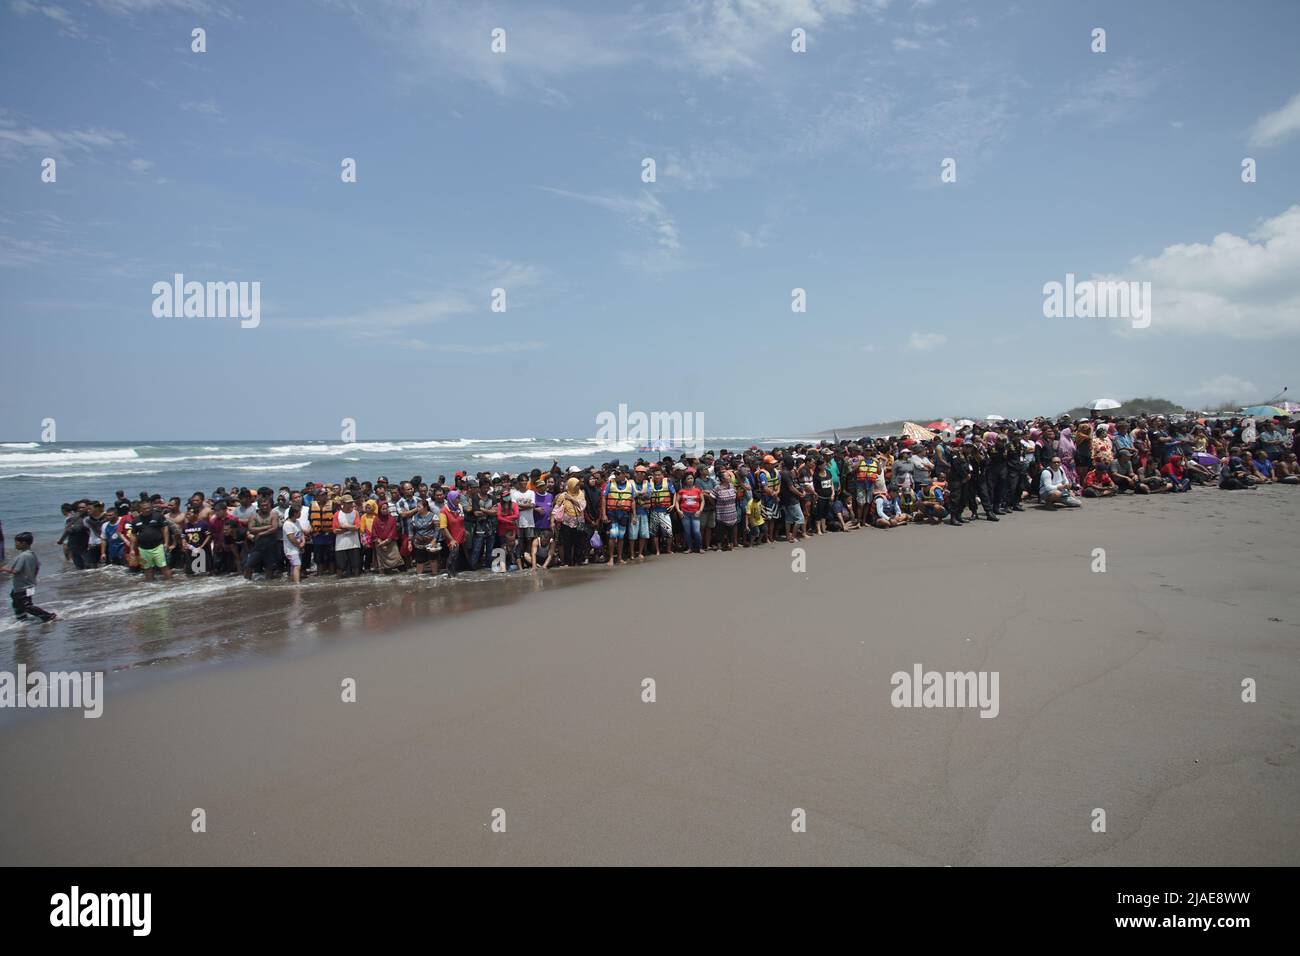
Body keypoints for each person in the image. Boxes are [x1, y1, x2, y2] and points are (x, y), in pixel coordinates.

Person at [1, 532, 57, 623]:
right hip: (30, 585)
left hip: (23, 587)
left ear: (24, 543)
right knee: (15, 599)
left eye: (17, 542)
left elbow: (15, 571)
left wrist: (3, 569)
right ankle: (21, 618)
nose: (15, 545)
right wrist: (32, 578)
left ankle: (48, 616)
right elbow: (37, 567)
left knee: (26, 605)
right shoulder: (32, 554)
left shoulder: (22, 556)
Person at [129, 499, 174, 581]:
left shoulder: (158, 516)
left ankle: (170, 583)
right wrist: (132, 549)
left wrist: (166, 543)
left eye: (149, 508)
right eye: (145, 508)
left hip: (158, 546)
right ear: (140, 509)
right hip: (143, 549)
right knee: (147, 568)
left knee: (164, 566)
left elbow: (165, 529)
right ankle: (150, 586)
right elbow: (133, 535)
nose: (148, 510)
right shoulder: (135, 520)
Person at [332, 494, 363, 577]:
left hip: (354, 543)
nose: (351, 504)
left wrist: (344, 526)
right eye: (348, 503)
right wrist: (350, 528)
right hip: (341, 543)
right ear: (343, 503)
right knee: (340, 566)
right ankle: (339, 581)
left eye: (351, 502)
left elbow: (357, 527)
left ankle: (357, 580)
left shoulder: (355, 513)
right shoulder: (337, 514)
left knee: (356, 565)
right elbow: (335, 530)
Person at [676, 471, 704, 554]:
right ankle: (689, 548)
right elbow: (677, 501)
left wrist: (700, 510)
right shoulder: (681, 491)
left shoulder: (698, 490)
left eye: (691, 478)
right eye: (688, 479)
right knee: (687, 532)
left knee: (696, 531)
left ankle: (700, 547)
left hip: (695, 513)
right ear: (685, 480)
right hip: (685, 514)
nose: (690, 480)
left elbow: (702, 501)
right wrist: (679, 511)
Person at [283, 503, 307, 583]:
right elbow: (291, 538)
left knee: (294, 566)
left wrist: (303, 541)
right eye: (299, 512)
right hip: (291, 549)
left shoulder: (297, 522)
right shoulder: (287, 524)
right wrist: (300, 545)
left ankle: (292, 581)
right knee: (297, 565)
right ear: (294, 513)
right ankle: (297, 583)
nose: (300, 514)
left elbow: (301, 532)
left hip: (298, 548)